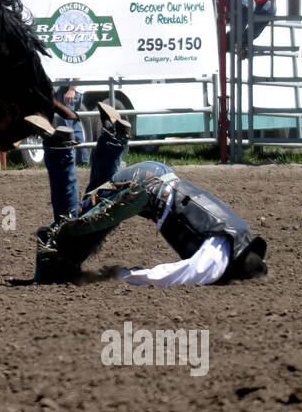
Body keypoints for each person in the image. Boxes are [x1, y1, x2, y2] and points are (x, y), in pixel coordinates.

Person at [34, 102, 268, 286]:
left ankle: (113, 136)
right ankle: (59, 147)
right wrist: (125, 275)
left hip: (157, 176)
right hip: (144, 189)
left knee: (94, 205)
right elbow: (174, 275)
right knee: (73, 226)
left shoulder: (238, 233)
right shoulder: (218, 261)